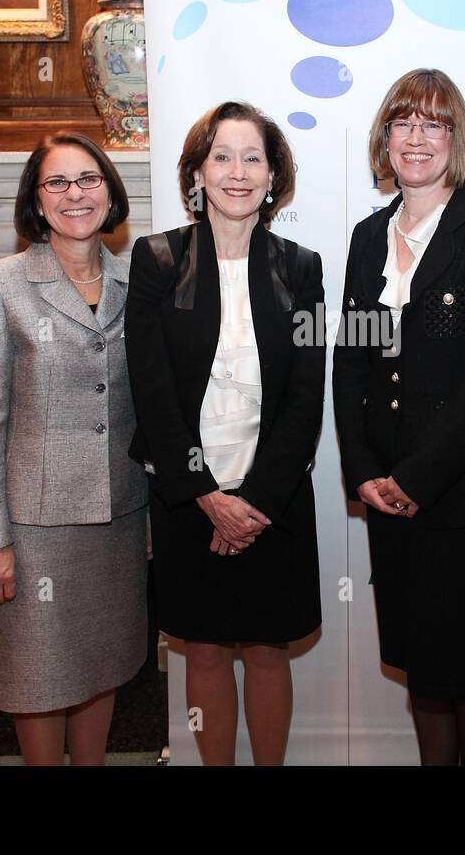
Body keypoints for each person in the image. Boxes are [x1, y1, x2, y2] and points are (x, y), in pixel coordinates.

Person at [333, 68, 465, 765]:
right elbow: (351, 361)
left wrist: (416, 476)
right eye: (404, 121)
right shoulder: (366, 236)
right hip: (390, 498)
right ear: (385, 137)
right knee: (424, 669)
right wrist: (363, 471)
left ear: (458, 137)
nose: (417, 136)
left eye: (434, 123)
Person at [125, 101, 324, 765]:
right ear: (197, 173)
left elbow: (306, 397)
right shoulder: (157, 261)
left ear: (274, 177)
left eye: (253, 158)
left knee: (267, 647)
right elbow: (151, 391)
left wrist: (256, 502)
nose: (238, 172)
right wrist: (207, 495)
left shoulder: (301, 267)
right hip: (188, 496)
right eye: (222, 157)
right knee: (204, 648)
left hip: (275, 498)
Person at [0, 133, 149, 765]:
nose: (75, 195)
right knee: (37, 681)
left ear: (110, 192)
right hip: (31, 529)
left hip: (119, 519)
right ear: (36, 202)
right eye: (57, 183)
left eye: (88, 179)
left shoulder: (137, 283)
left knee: (104, 666)